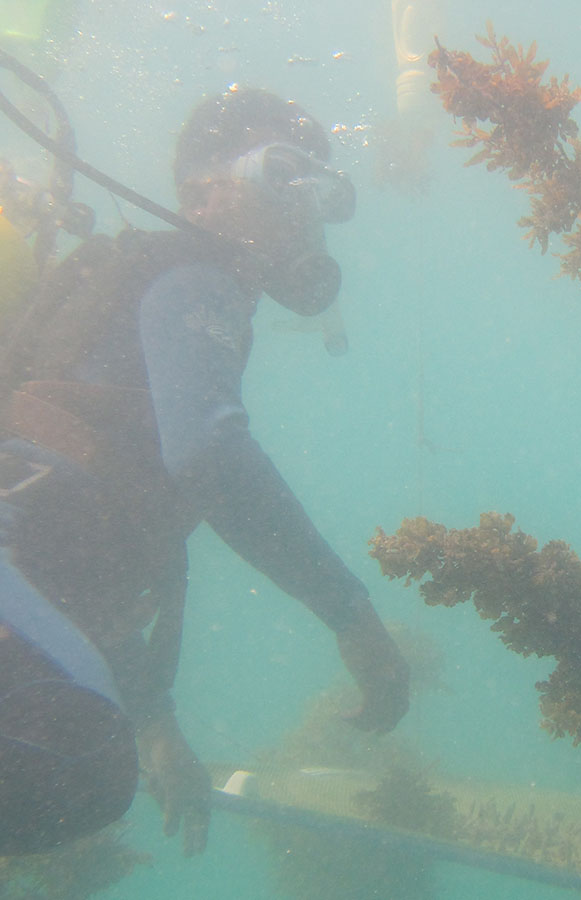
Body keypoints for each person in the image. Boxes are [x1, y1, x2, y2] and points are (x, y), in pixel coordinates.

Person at [0, 87, 408, 856]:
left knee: (78, 774)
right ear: (201, 194)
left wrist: (153, 722)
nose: (305, 210)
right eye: (281, 178)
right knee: (74, 776)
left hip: (29, 568)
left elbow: (115, 518)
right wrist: (352, 614)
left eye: (318, 188)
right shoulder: (197, 280)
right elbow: (207, 458)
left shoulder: (139, 286)